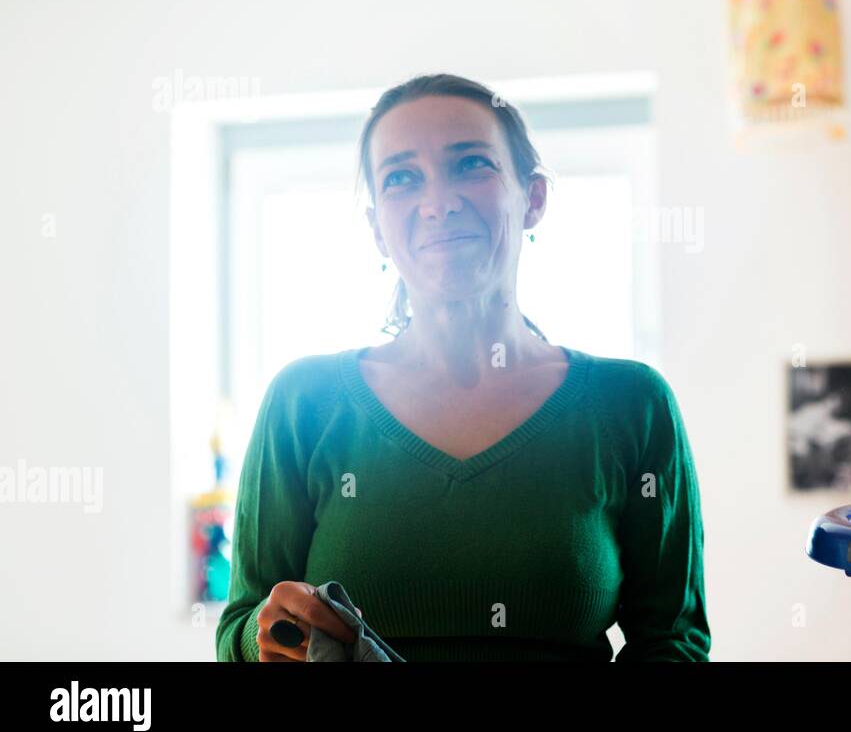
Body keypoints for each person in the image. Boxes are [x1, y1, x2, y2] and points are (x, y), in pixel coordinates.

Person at [215, 73, 710, 661]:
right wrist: (263, 637)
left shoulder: (631, 405)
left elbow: (673, 639)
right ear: (377, 228)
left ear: (533, 197)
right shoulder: (303, 404)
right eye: (401, 177)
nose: (437, 203)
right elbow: (239, 631)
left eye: (471, 164)